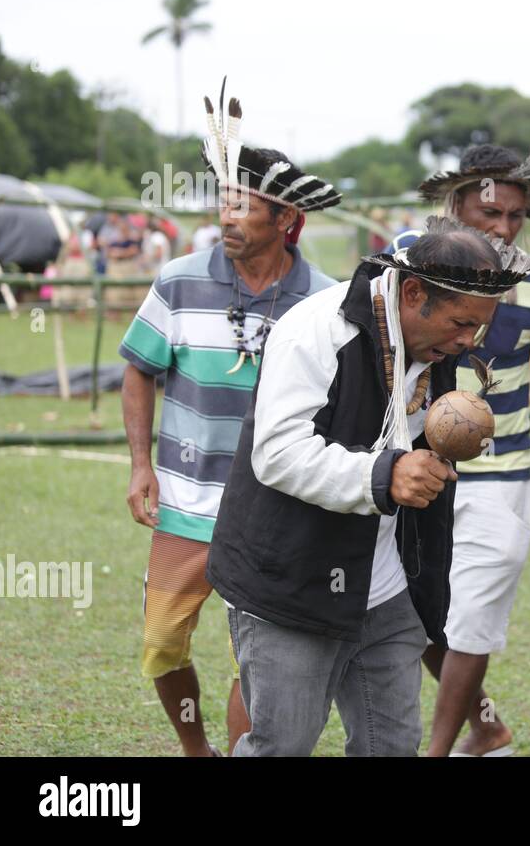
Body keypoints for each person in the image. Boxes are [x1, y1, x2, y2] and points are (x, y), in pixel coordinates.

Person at [207, 213, 530, 756]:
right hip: (292, 583)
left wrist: (442, 443)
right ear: (411, 292)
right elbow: (277, 455)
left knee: (393, 746)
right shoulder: (315, 330)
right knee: (283, 745)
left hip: (387, 587)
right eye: (459, 324)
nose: (466, 340)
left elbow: (405, 431)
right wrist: (386, 474)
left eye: (477, 327)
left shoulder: (435, 344)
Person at [119, 85, 338, 756]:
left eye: (245, 204)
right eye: (225, 200)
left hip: (275, 509)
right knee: (160, 645)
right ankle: (196, 748)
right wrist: (139, 465)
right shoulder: (179, 281)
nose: (228, 215)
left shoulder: (324, 303)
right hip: (185, 505)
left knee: (264, 657)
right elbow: (138, 369)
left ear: (287, 221)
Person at [404, 143, 530, 757]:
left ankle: (438, 749)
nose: (504, 227)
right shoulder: (407, 262)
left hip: (504, 475)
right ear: (456, 206)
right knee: (415, 614)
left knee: (473, 614)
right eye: (490, 214)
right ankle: (487, 726)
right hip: (411, 467)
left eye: (515, 216)